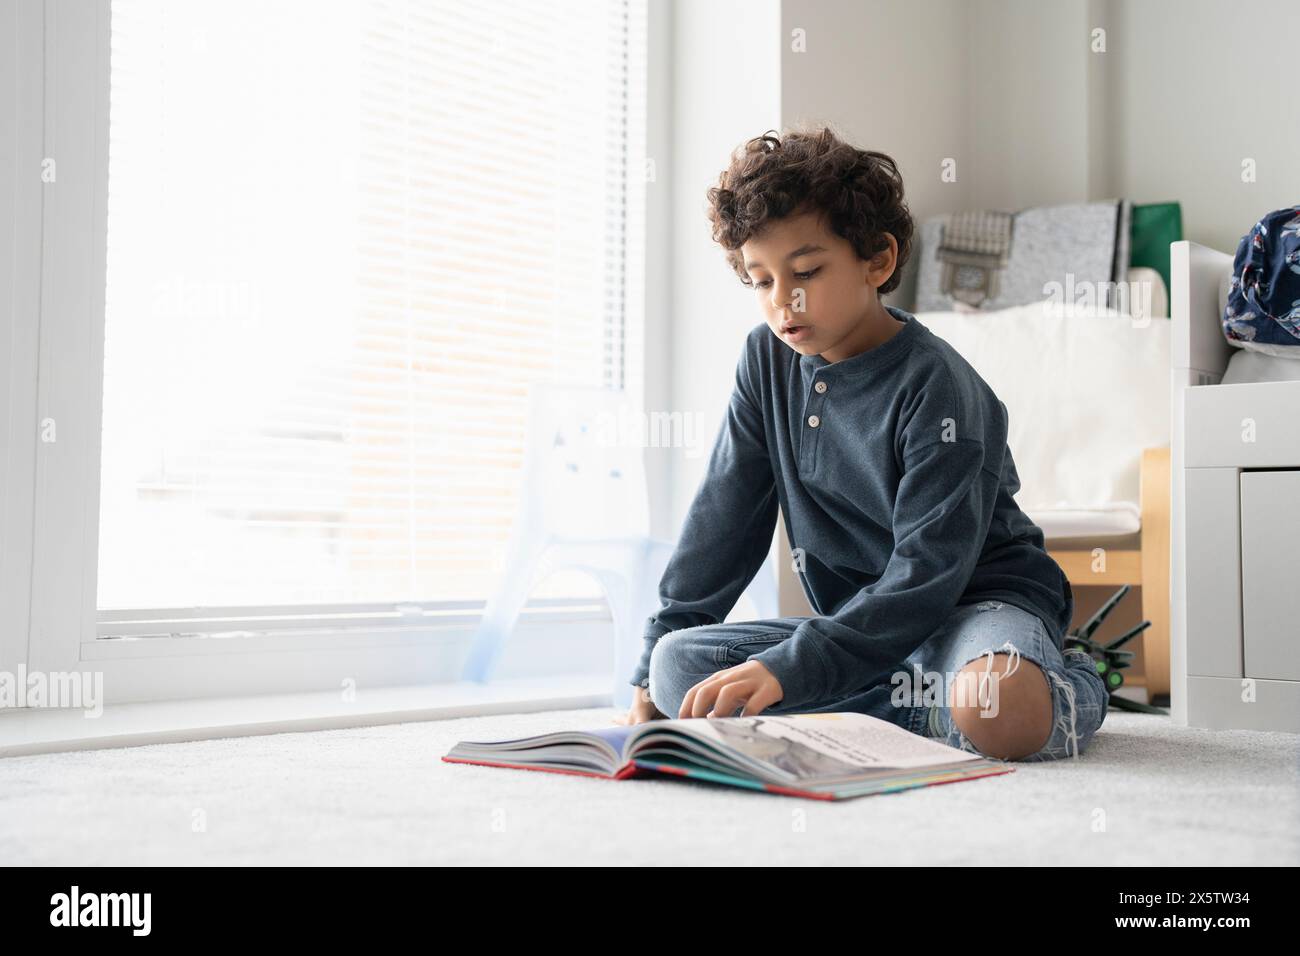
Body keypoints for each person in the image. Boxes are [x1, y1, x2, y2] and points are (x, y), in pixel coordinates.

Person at [614, 125, 1108, 761]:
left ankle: (1072, 681)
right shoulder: (765, 362)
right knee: (679, 667)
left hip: (973, 609)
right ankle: (918, 711)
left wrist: (798, 669)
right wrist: (652, 661)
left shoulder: (941, 388)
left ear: (877, 260)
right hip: (865, 637)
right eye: (761, 280)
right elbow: (723, 523)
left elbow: (928, 574)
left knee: (999, 703)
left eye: (808, 271)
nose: (782, 301)